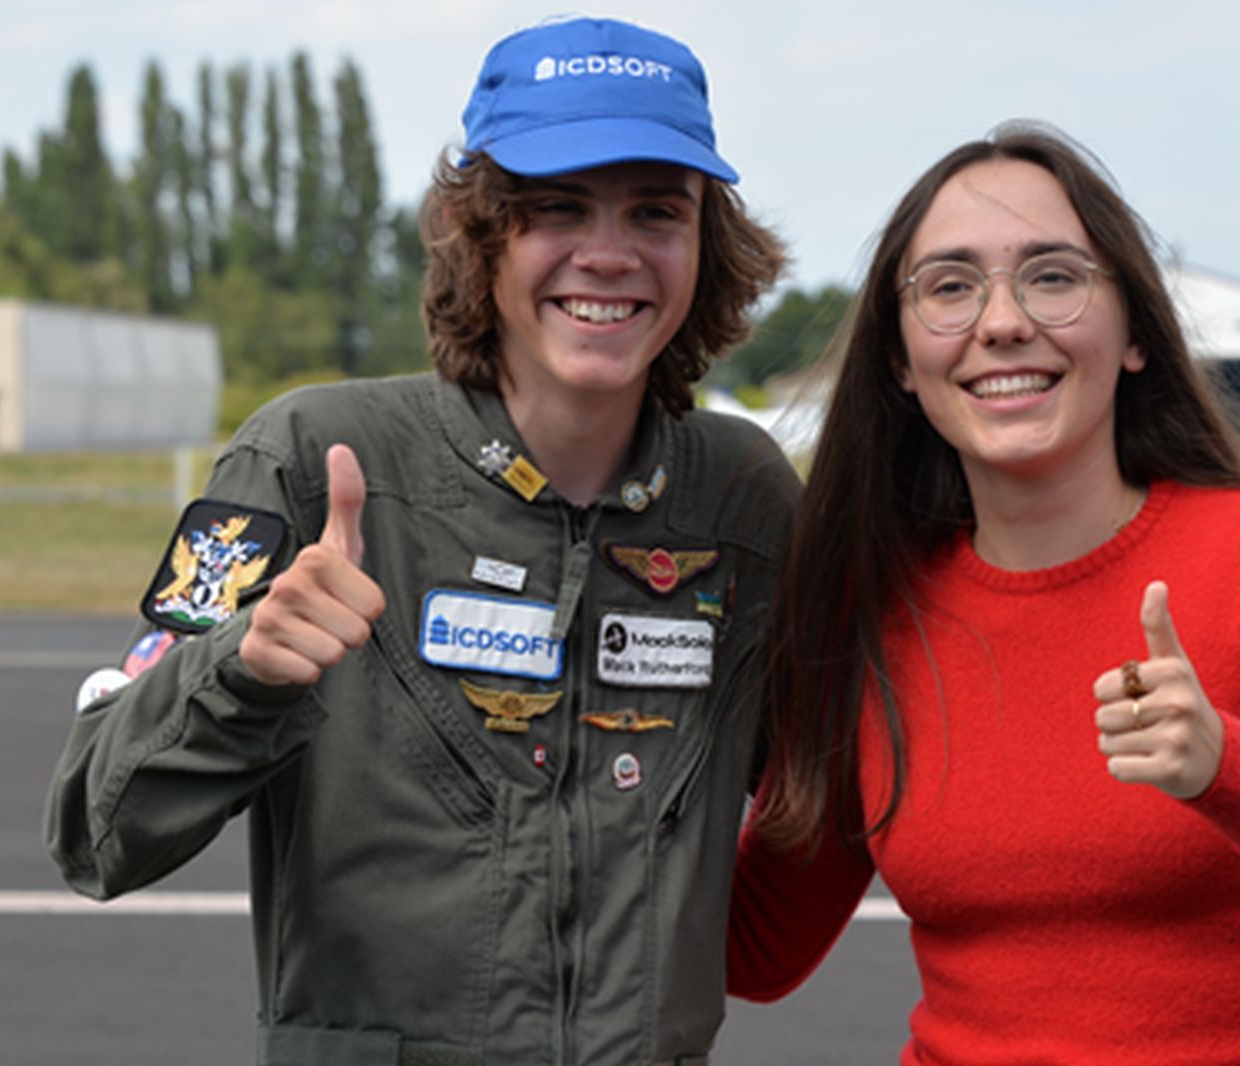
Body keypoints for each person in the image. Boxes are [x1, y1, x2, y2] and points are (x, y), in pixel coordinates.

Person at [46, 17, 794, 1065]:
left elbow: (843, 787)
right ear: (479, 235)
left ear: (704, 247)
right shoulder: (310, 457)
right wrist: (240, 669)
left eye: (656, 212)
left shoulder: (744, 498)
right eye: (555, 208)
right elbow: (93, 832)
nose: (609, 252)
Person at [726, 122, 1240, 1064]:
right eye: (951, 287)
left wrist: (1224, 767)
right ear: (899, 360)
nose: (1001, 321)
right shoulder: (871, 611)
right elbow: (758, 950)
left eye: (1052, 276)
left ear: (1133, 334)